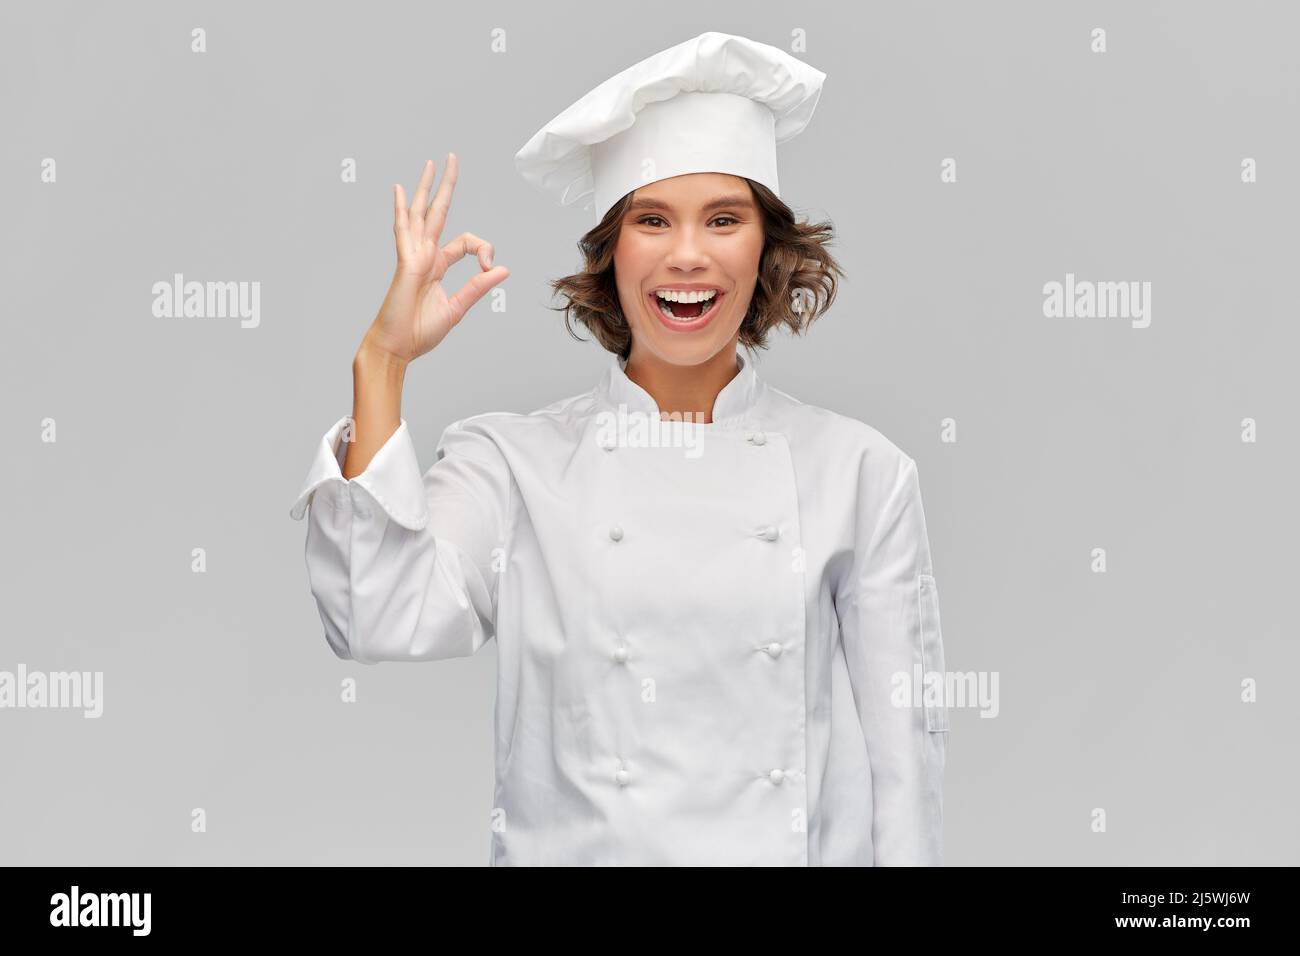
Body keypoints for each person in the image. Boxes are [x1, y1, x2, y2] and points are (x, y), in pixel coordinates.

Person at [290, 32, 949, 866]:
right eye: (651, 221)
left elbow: (904, 765)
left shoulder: (861, 474)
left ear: (766, 248)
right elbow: (374, 614)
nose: (688, 254)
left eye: (724, 219)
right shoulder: (515, 465)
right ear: (611, 252)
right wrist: (381, 362)